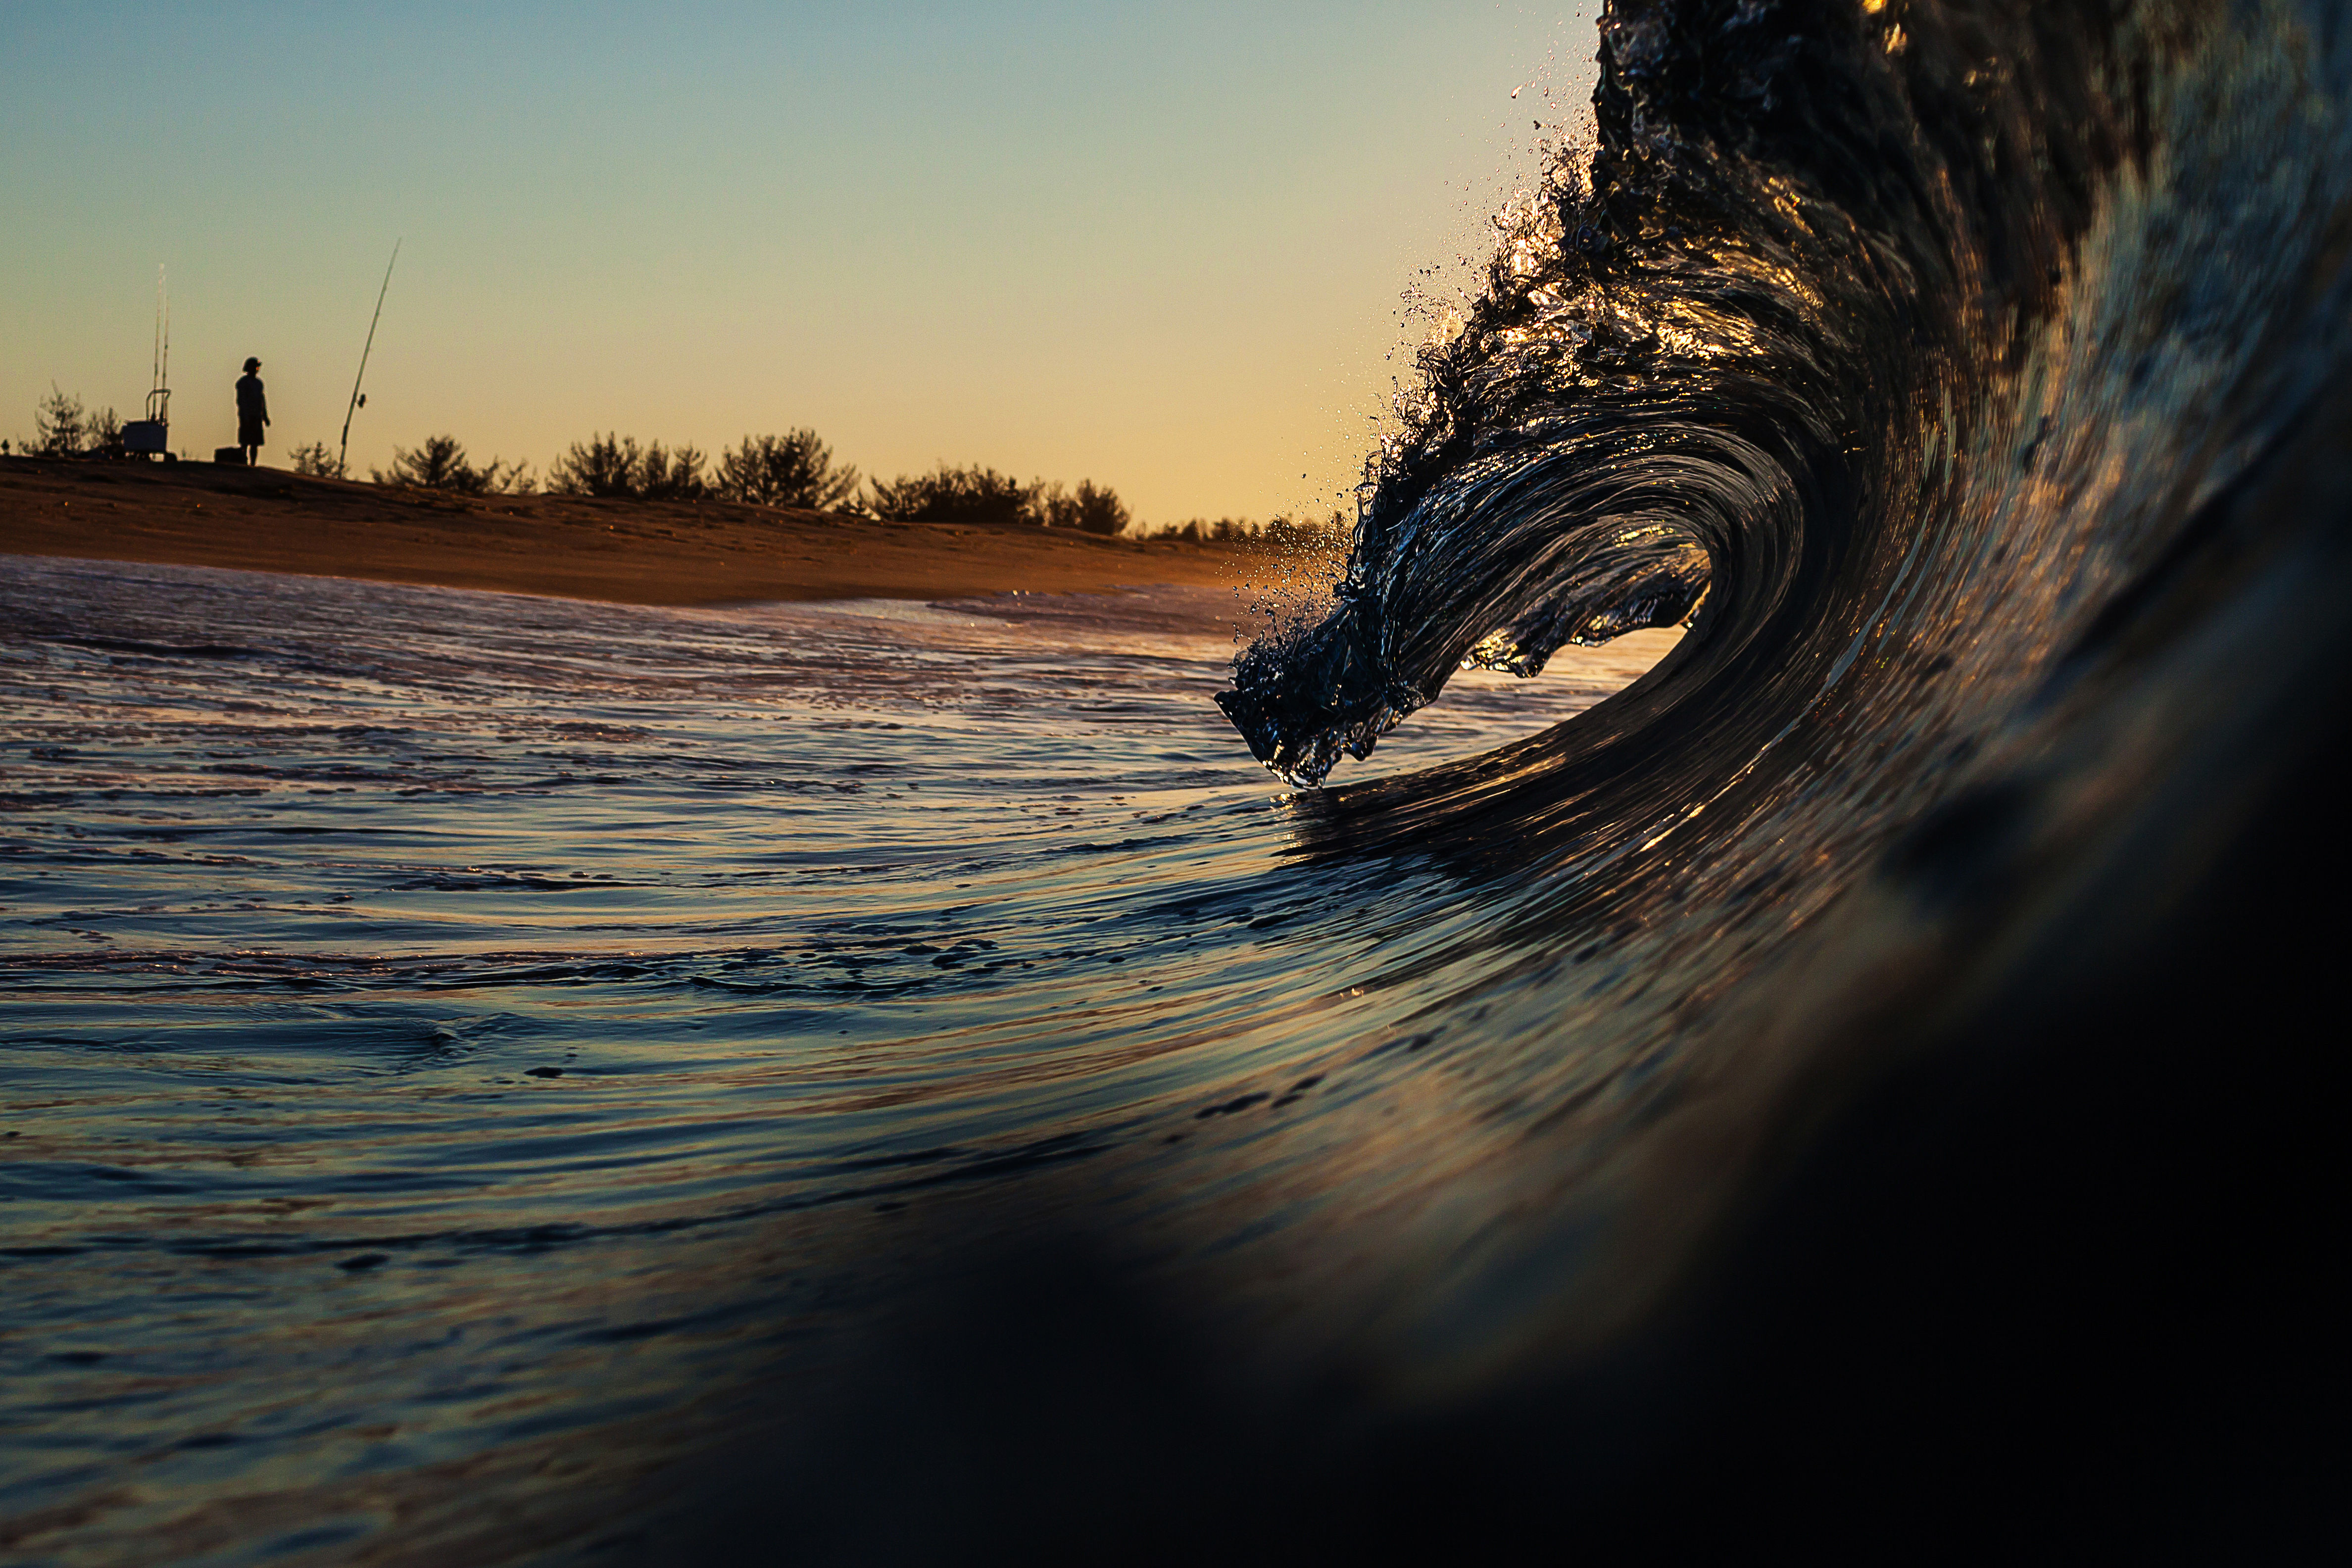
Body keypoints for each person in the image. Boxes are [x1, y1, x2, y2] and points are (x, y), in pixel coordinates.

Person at [235, 356, 269, 466]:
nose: (256, 369)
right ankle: (242, 462)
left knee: (255, 442)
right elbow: (241, 400)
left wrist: (265, 416)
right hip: (247, 415)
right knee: (245, 441)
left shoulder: (259, 383)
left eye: (257, 367)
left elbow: (262, 400)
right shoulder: (243, 383)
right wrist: (245, 415)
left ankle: (253, 463)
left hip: (257, 415)